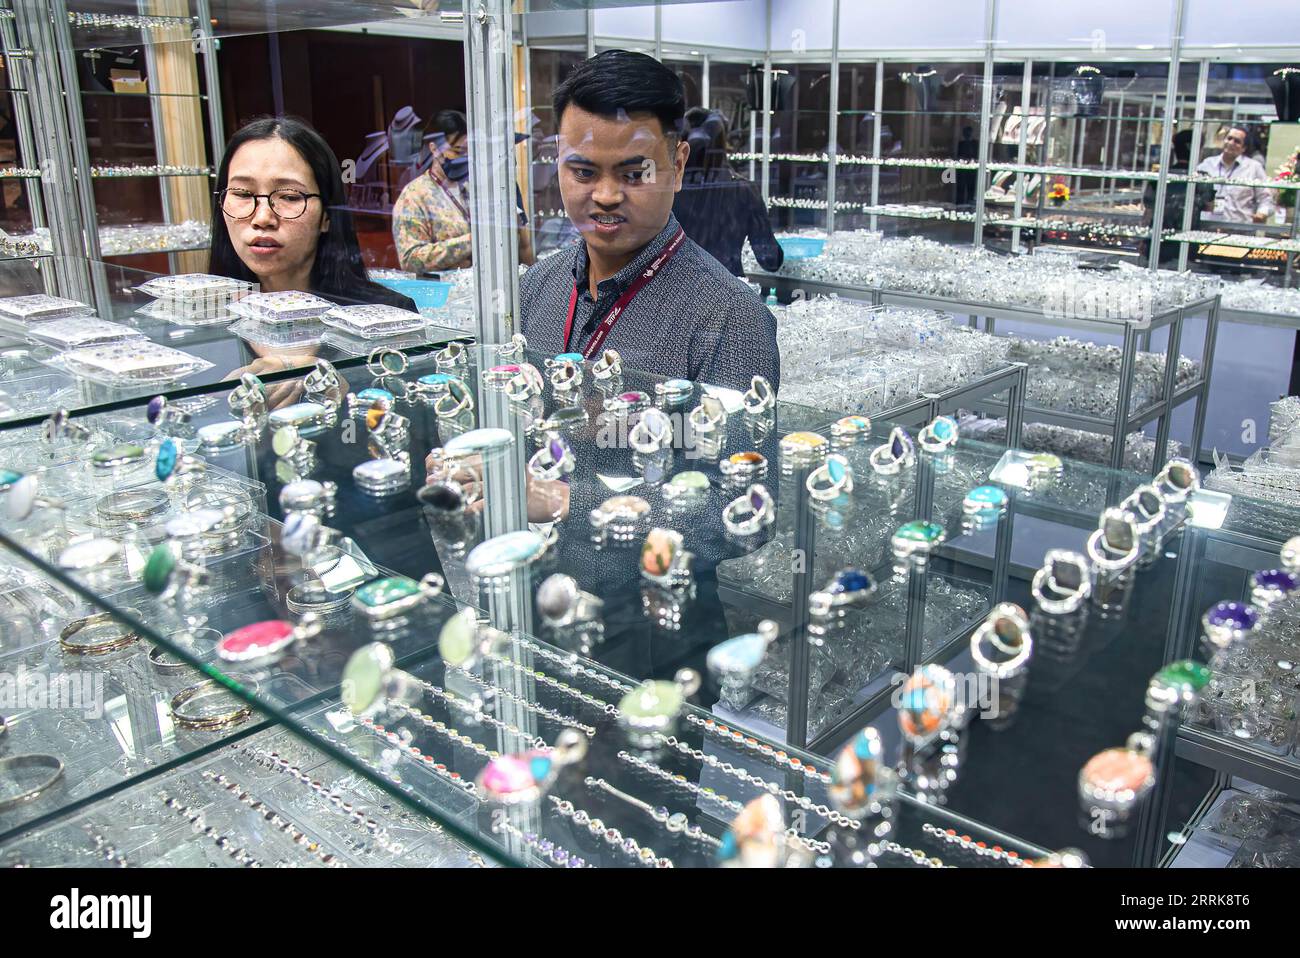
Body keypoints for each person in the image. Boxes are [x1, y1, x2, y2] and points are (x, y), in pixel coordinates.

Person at [519, 50, 780, 393]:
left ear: (678, 166)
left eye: (634, 173)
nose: (607, 195)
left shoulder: (730, 320)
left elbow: (736, 447)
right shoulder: (535, 289)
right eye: (583, 172)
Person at [209, 116, 414, 398]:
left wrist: (348, 388)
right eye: (243, 193)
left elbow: (421, 430)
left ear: (327, 216)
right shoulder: (198, 323)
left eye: (291, 197)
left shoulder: (391, 316)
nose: (263, 217)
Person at [391, 109, 534, 273]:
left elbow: (521, 239)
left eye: (469, 151)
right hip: (445, 294)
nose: (465, 158)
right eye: (458, 151)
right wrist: (474, 240)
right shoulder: (414, 196)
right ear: (434, 149)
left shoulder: (478, 187)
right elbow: (410, 260)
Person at [672, 111, 784, 277]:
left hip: (677, 291)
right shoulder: (744, 190)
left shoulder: (668, 191)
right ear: (723, 144)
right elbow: (770, 260)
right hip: (727, 290)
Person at [1142, 129, 1214, 266]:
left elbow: (1148, 212)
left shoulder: (1159, 176)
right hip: (1188, 245)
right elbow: (1209, 209)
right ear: (1196, 151)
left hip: (1158, 243)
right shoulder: (1203, 179)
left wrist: (1143, 239)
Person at [1195, 126, 1276, 224]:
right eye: (1229, 138)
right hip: (1207, 228)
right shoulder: (1207, 165)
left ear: (1244, 148)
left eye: (1237, 141)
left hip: (1239, 230)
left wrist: (1261, 213)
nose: (1231, 143)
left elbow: (1266, 198)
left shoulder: (1254, 168)